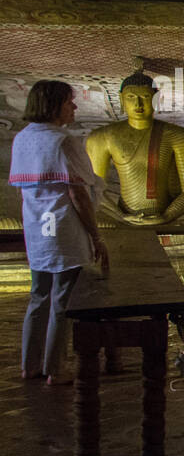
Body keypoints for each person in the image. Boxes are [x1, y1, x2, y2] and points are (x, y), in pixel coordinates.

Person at [8, 80, 108, 385]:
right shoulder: (63, 141)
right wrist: (95, 236)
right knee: (63, 299)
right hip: (64, 227)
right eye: (69, 102)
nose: (74, 107)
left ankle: (30, 365)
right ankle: (55, 368)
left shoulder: (22, 139)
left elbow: (23, 191)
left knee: (38, 295)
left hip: (38, 226)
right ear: (54, 105)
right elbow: (78, 195)